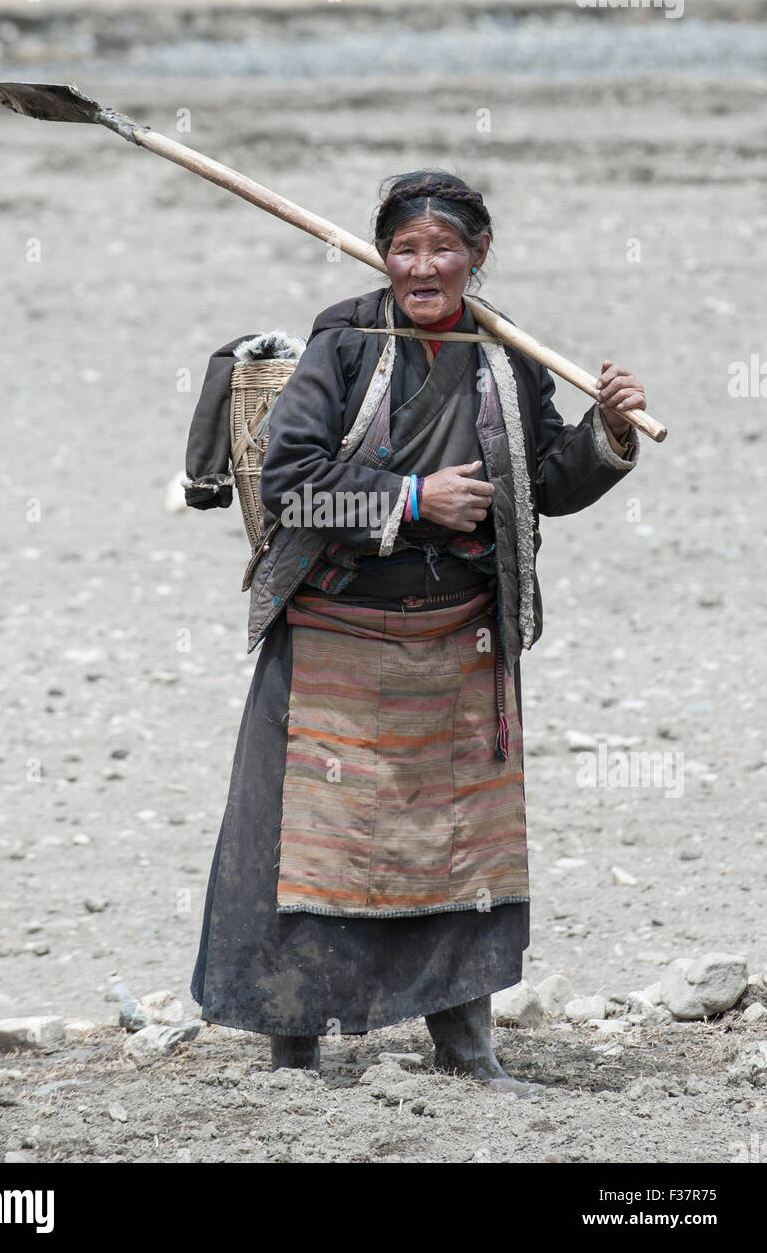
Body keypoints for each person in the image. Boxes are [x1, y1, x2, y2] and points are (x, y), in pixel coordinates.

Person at [183, 169, 645, 1092]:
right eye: (406, 249)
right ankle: (294, 1051)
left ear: (477, 256)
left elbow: (545, 483)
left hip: (460, 638)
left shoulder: (505, 351)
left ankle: (468, 1050)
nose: (423, 266)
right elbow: (291, 485)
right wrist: (410, 496)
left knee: (460, 849)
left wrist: (608, 434)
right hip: (334, 638)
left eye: (444, 249)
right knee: (307, 846)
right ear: (384, 255)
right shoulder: (345, 341)